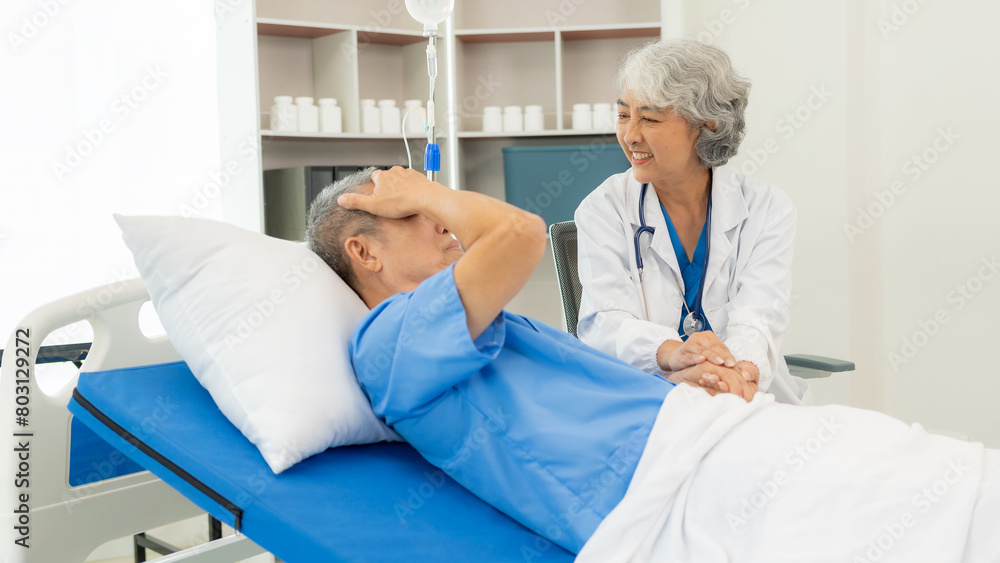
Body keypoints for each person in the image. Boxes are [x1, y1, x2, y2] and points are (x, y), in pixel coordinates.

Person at [305, 166, 998, 560]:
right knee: (909, 500)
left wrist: (675, 371)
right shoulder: (390, 339)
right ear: (364, 252)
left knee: (909, 461)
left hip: (700, 433)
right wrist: (430, 189)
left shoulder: (449, 318)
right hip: (666, 484)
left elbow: (578, 391)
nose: (445, 225)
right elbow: (519, 234)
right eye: (419, 220)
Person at [574, 39, 809, 404]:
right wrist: (671, 352)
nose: (630, 135)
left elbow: (760, 315)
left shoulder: (767, 208)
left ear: (706, 124)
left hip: (747, 396)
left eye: (649, 118)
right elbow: (604, 322)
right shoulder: (604, 209)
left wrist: (739, 372)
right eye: (623, 115)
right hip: (651, 401)